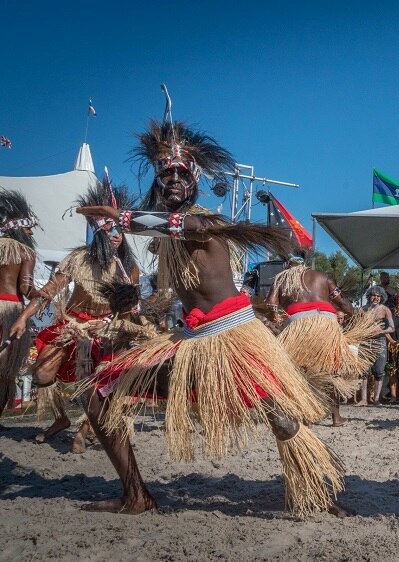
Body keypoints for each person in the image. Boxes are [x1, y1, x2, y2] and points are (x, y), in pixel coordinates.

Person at [75, 112, 345, 517]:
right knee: (96, 393)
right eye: (165, 176)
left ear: (195, 179)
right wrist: (132, 307)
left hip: (234, 338)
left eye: (182, 174)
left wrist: (124, 219)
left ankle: (320, 493)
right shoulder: (165, 242)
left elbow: (186, 226)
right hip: (189, 341)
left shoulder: (204, 222)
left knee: (283, 418)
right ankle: (136, 495)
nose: (173, 182)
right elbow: (167, 294)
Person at [11, 184, 144, 452]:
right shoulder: (78, 259)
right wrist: (23, 317)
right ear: (98, 232)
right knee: (41, 374)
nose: (116, 235)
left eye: (119, 229)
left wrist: (125, 330)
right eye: (110, 229)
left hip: (107, 329)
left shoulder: (129, 268)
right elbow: (48, 292)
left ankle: (85, 429)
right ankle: (61, 417)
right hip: (72, 324)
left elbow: (129, 311)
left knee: (103, 383)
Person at [266, 255, 379, 426]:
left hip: (297, 325)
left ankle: (304, 416)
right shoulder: (322, 276)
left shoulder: (282, 279)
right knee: (332, 371)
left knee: (298, 371)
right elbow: (343, 303)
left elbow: (271, 305)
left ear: (287, 264)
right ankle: (336, 417)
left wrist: (277, 318)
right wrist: (357, 316)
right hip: (326, 324)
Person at [0, 189, 38, 428]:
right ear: (18, 228)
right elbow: (26, 289)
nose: (31, 232)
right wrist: (42, 294)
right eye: (28, 228)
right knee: (6, 371)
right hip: (10, 312)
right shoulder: (25, 252)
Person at [357, 285, 393, 406]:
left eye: (378, 296)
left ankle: (376, 398)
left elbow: (391, 328)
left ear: (381, 297)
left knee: (379, 371)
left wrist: (381, 331)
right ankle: (363, 399)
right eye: (374, 295)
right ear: (369, 296)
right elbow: (356, 326)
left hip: (380, 341)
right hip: (365, 342)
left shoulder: (385, 309)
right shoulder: (362, 309)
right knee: (363, 371)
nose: (376, 298)